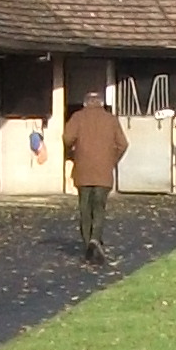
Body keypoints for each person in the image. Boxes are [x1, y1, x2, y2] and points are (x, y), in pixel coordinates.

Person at [63, 85, 128, 266]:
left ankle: (87, 245)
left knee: (85, 208)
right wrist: (111, 159)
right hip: (103, 172)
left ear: (85, 104)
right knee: (99, 208)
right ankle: (95, 239)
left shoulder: (78, 117)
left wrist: (73, 151)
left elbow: (67, 138)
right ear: (101, 103)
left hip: (83, 171)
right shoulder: (111, 120)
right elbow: (123, 144)